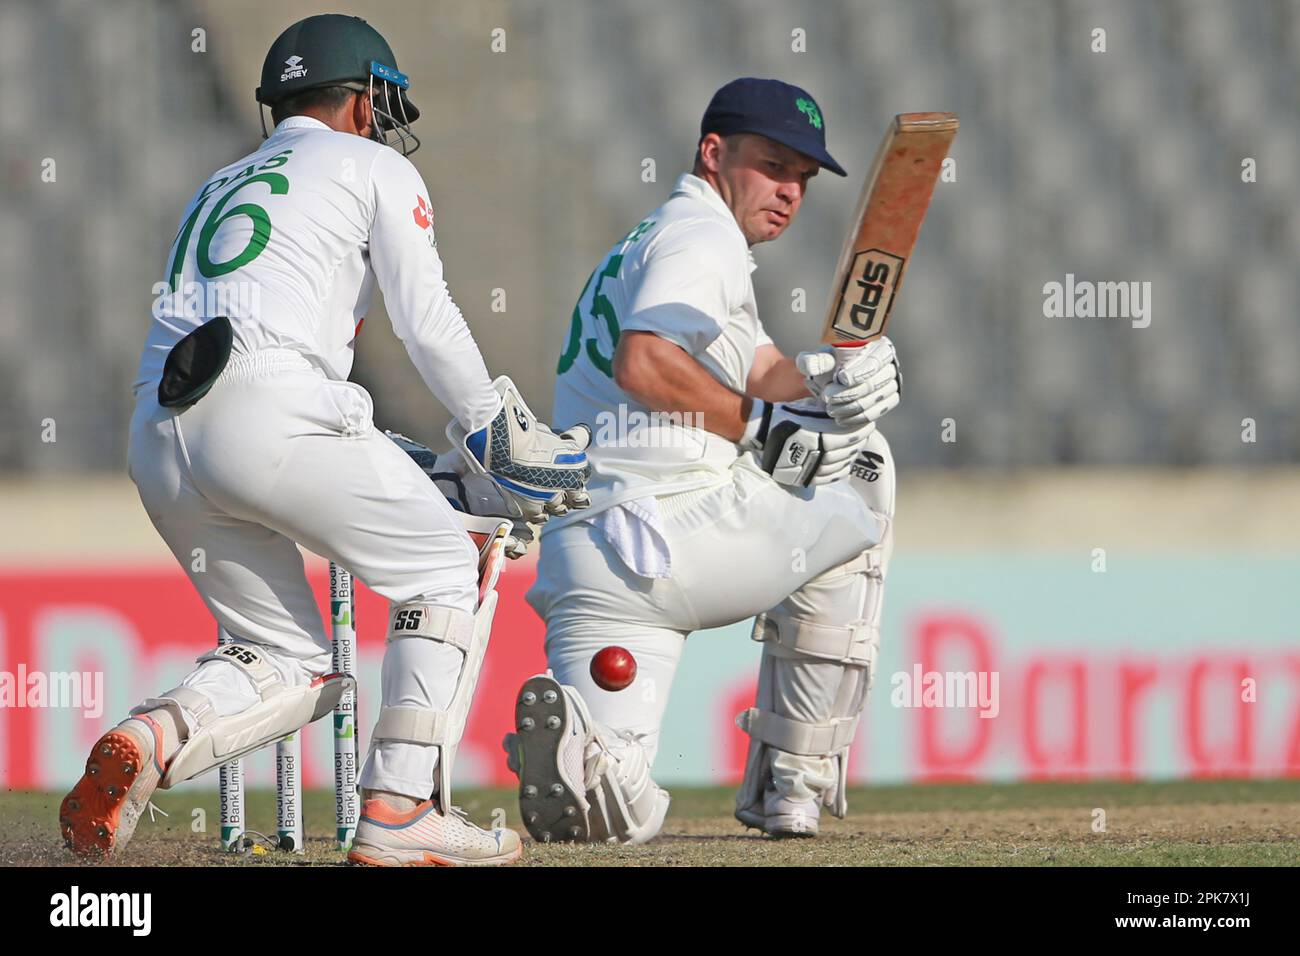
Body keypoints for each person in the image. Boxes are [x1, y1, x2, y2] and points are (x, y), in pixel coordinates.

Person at [59, 13, 589, 866]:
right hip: (271, 407)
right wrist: (493, 427)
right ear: (365, 97)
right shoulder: (370, 163)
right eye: (383, 103)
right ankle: (400, 811)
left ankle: (153, 735)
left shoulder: (218, 180)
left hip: (158, 432)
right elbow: (428, 320)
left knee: (287, 658)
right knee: (445, 568)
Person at [505, 78, 900, 843]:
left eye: (802, 179)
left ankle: (596, 757)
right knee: (861, 467)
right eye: (773, 165)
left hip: (585, 559)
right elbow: (645, 362)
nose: (789, 192)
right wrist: (764, 428)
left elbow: (765, 376)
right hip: (676, 532)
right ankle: (796, 774)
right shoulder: (702, 237)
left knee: (614, 807)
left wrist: (837, 373)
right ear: (713, 153)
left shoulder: (659, 238)